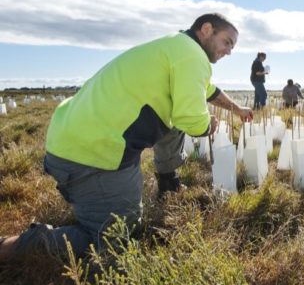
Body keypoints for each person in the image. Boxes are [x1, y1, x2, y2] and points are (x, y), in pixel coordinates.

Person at [0, 13, 253, 262]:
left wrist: (238, 110)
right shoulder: (193, 55)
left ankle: (167, 180)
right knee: (114, 237)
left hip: (69, 141)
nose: (229, 51)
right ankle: (15, 246)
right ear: (207, 29)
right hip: (94, 154)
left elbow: (209, 91)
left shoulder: (174, 47)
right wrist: (208, 125)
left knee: (171, 123)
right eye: (227, 42)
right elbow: (191, 120)